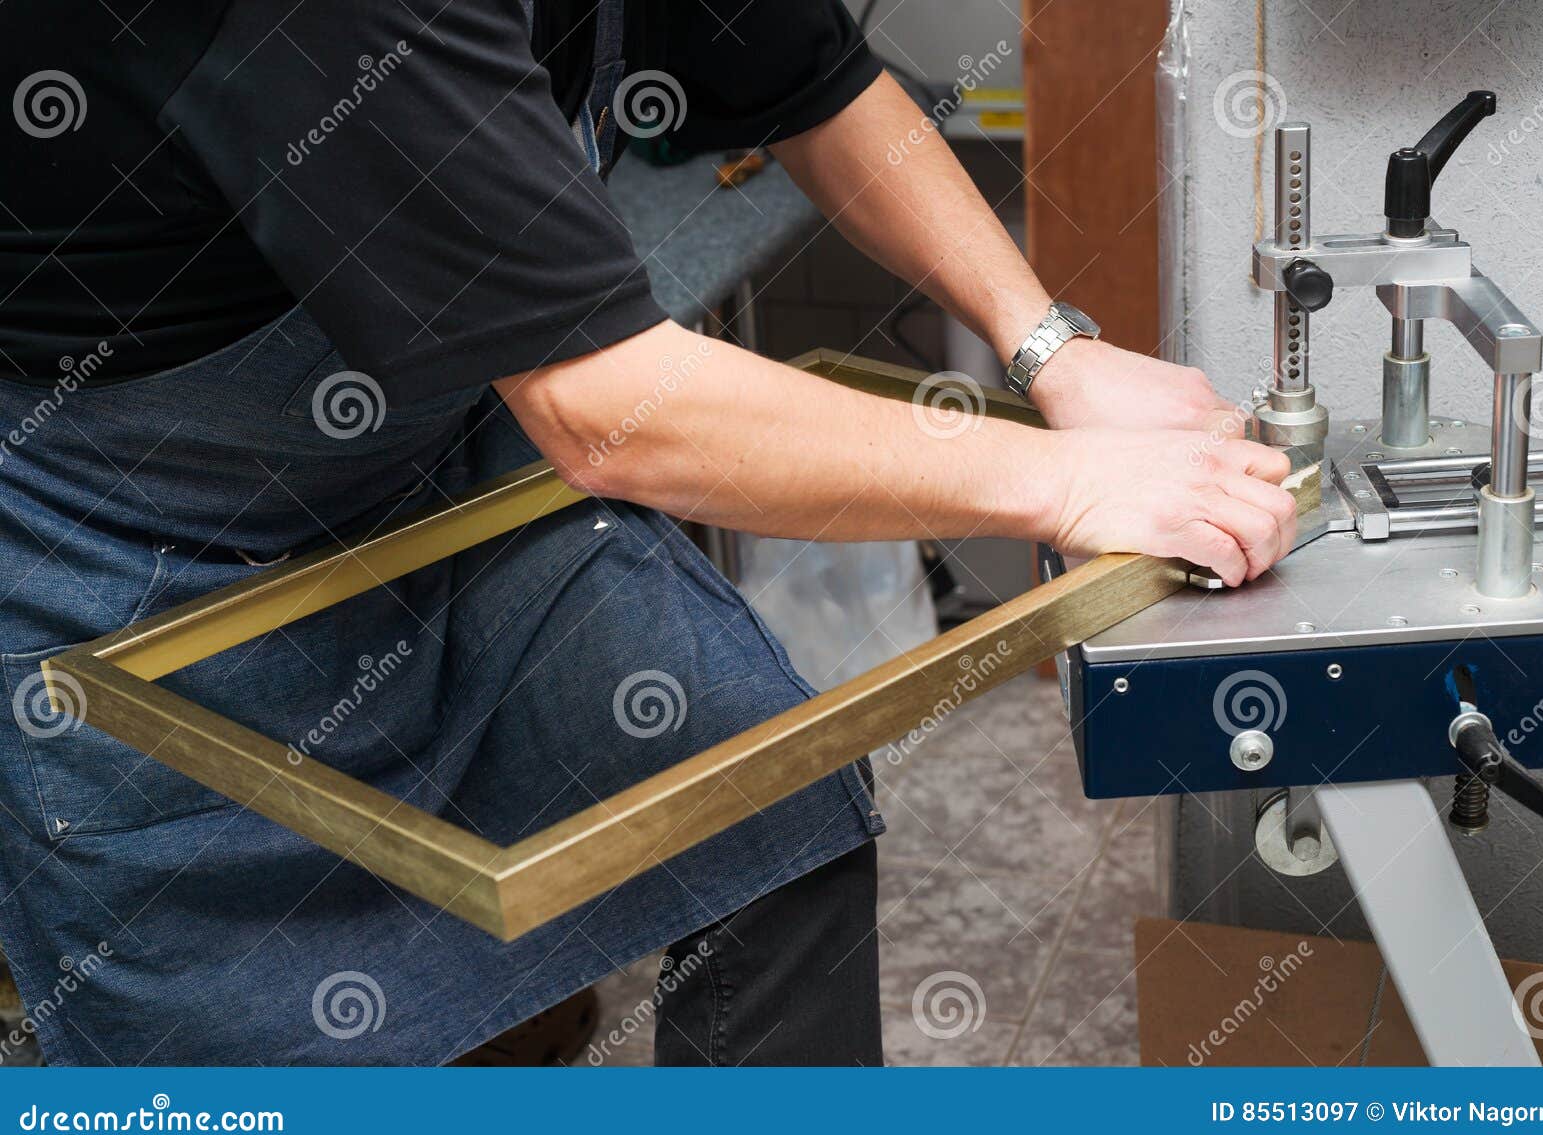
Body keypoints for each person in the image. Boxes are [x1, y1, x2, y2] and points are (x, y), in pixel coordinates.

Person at [0, 1, 1293, 1066]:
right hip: (131, 540)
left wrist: (1049, 350)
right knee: (309, 1048)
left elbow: (813, 86)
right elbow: (609, 410)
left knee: (766, 810)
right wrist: (1061, 485)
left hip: (455, 461)